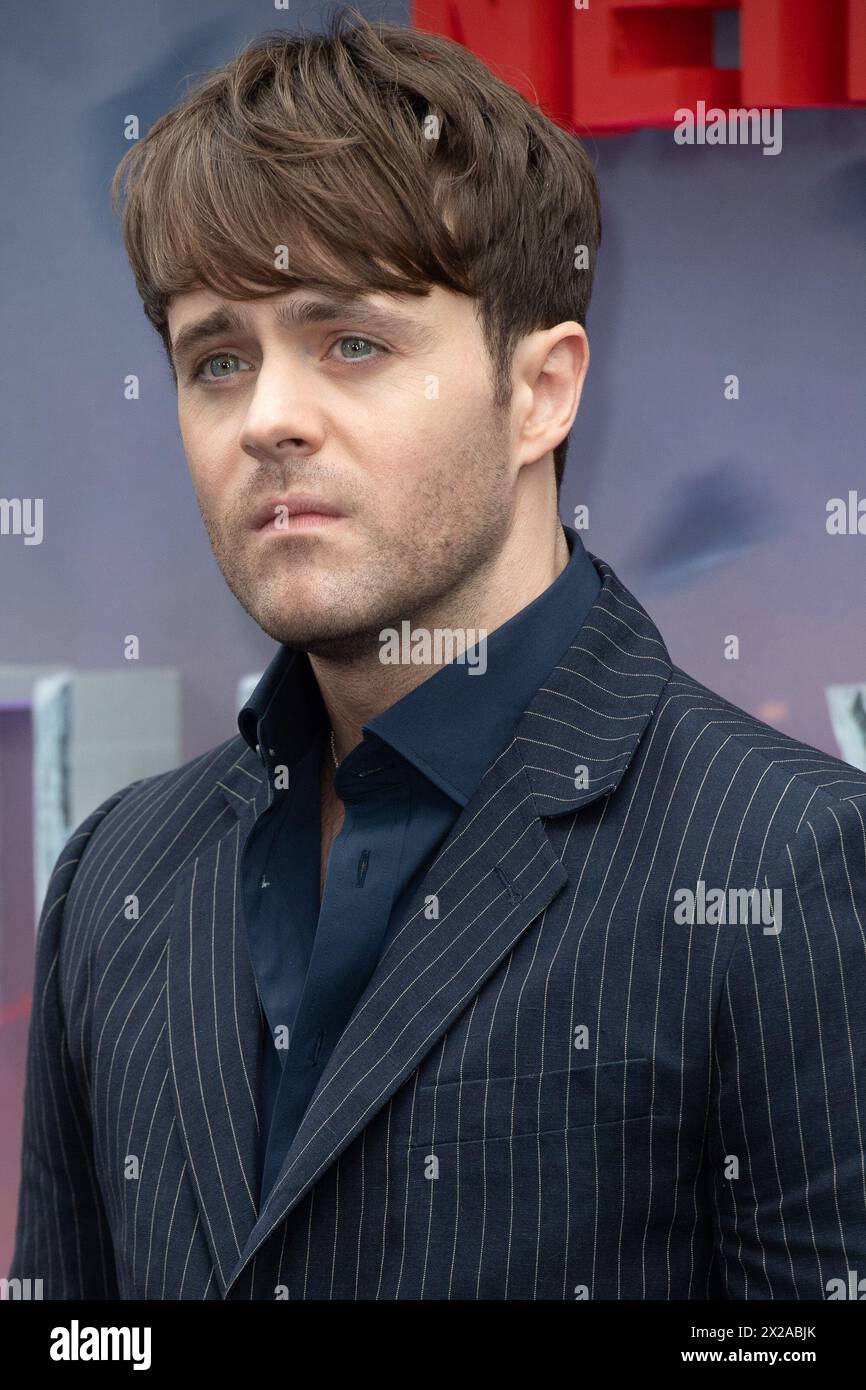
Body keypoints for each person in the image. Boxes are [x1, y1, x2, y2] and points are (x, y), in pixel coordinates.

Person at [11, 7, 866, 1301]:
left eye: (348, 340)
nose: (269, 418)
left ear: (540, 390)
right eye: (217, 359)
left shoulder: (783, 859)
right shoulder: (117, 872)